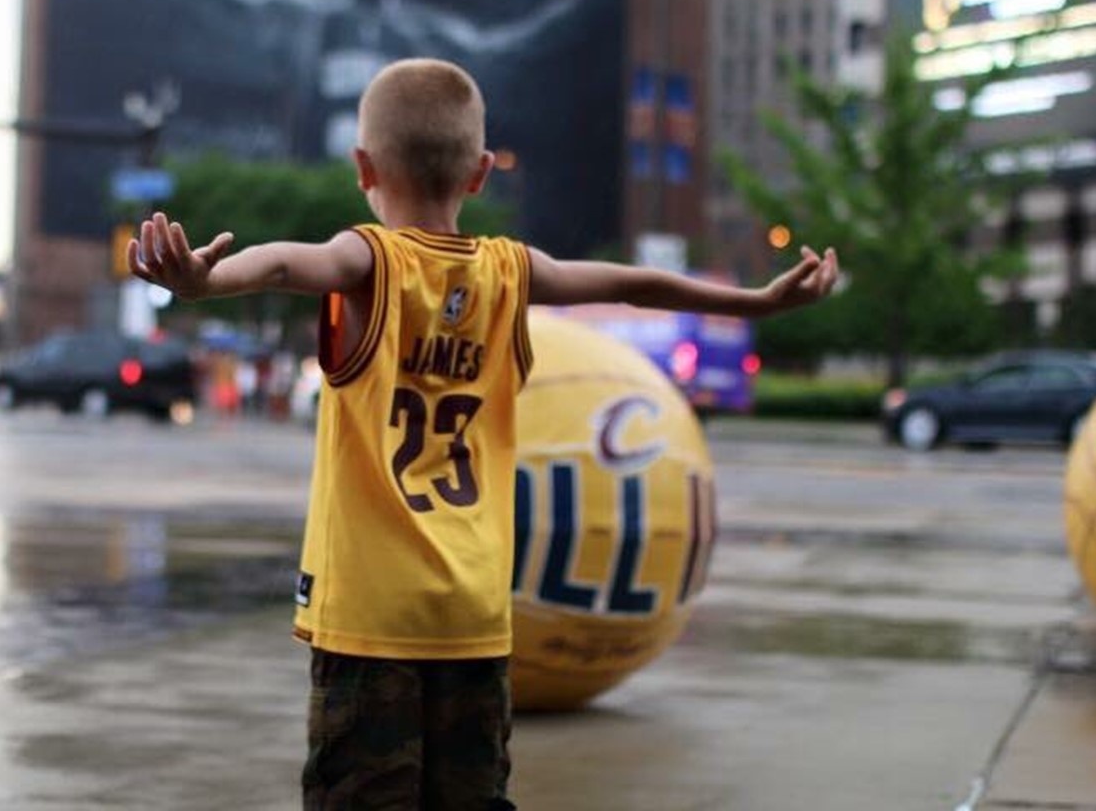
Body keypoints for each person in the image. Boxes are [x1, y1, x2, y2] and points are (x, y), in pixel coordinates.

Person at [127, 58, 839, 810]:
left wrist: (205, 281)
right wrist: (754, 303)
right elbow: (631, 282)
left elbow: (280, 265)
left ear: (362, 166)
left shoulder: (370, 260)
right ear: (480, 173)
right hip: (473, 614)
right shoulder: (511, 272)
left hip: (373, 619)